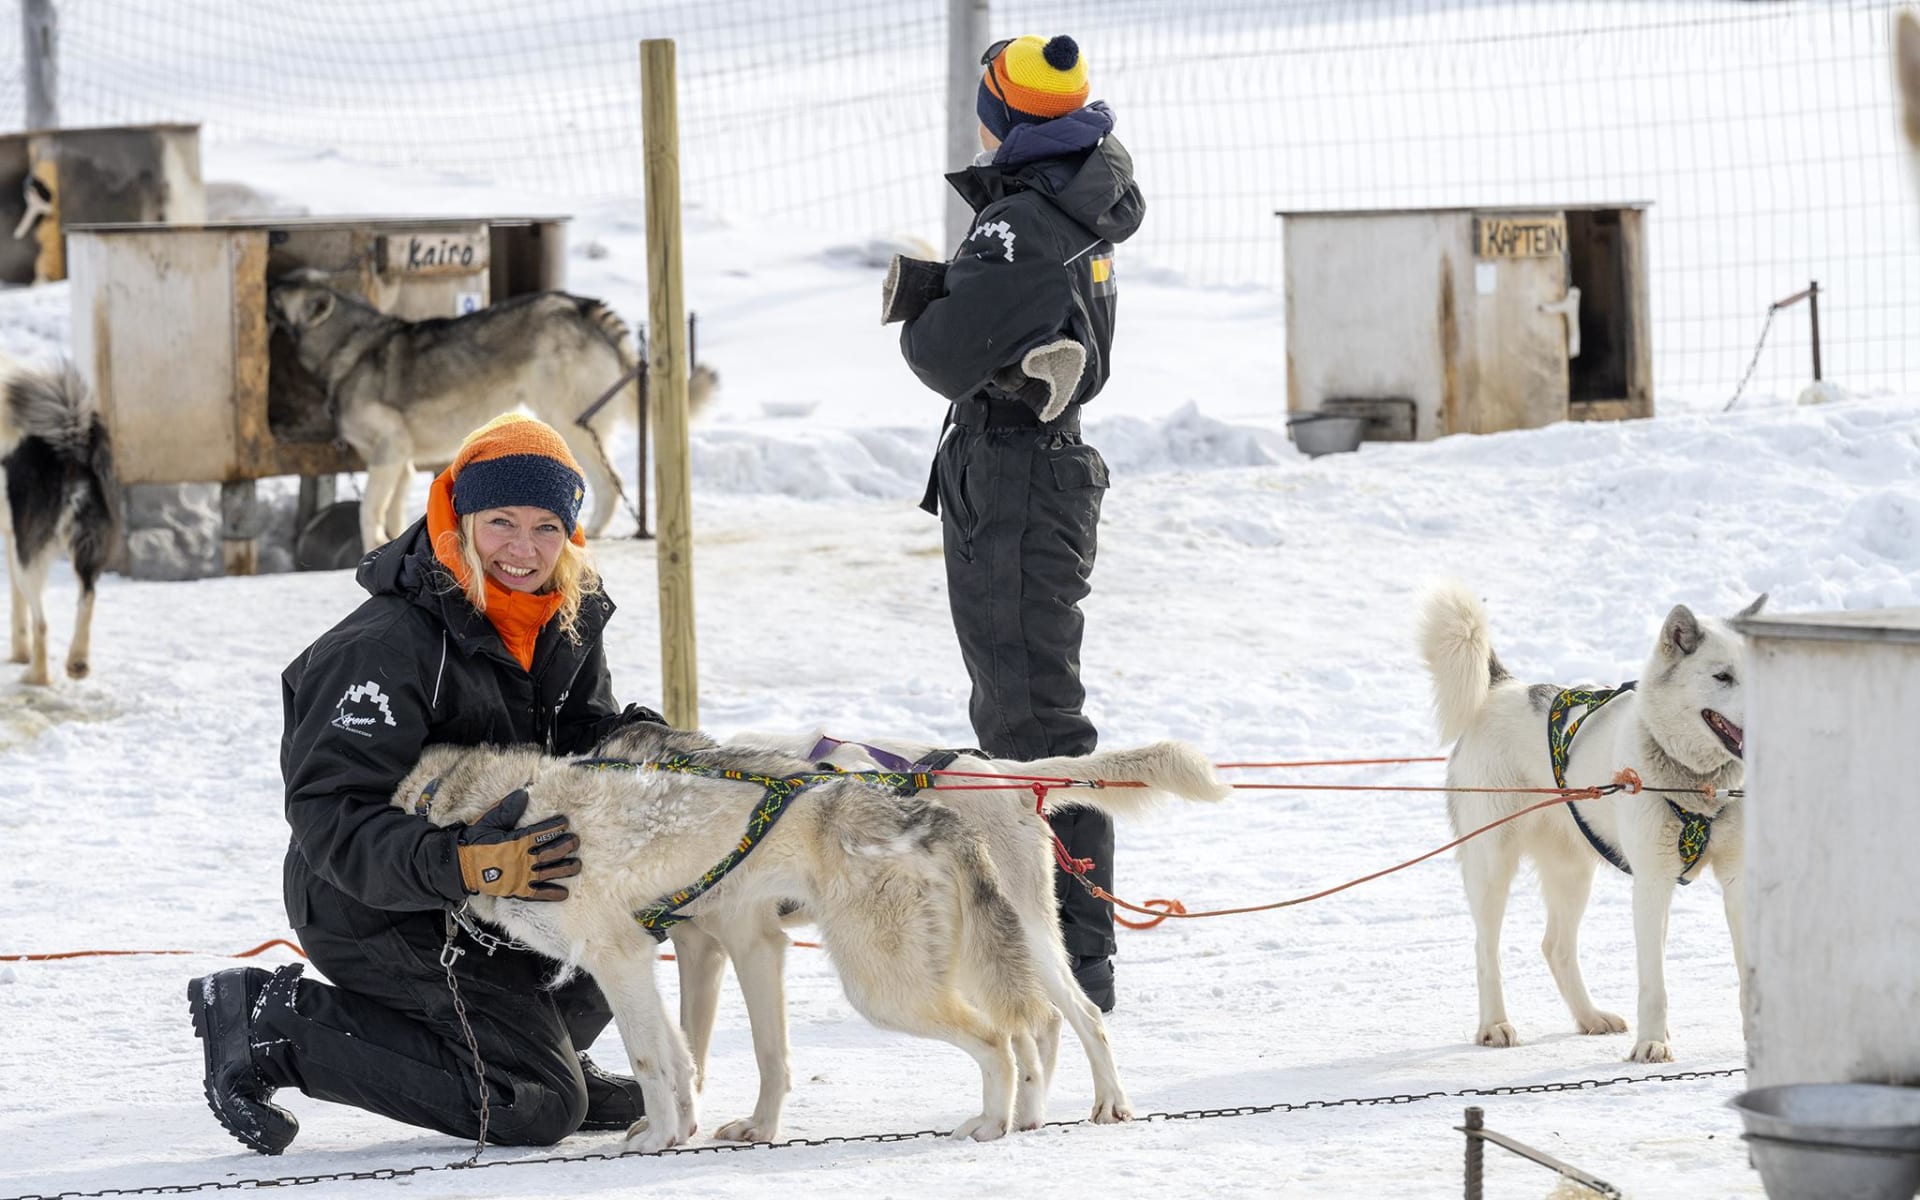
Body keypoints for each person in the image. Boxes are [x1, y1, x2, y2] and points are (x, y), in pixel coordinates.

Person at [188, 414, 666, 1154]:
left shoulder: (564, 617)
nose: (523, 548)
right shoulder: (383, 648)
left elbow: (580, 740)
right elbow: (330, 816)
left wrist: (655, 753)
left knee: (658, 886)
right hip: (373, 903)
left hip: (501, 888)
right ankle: (274, 1024)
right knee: (533, 1108)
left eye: (546, 527)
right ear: (459, 514)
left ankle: (546, 1045)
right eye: (501, 521)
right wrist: (461, 863)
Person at [887, 33, 1145, 1013]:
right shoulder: (1074, 201)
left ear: (1000, 115)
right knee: (1024, 710)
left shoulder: (1019, 224)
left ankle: (1070, 957)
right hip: (1038, 471)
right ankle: (1050, 936)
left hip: (1014, 475)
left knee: (1029, 718)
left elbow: (944, 356)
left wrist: (921, 298)